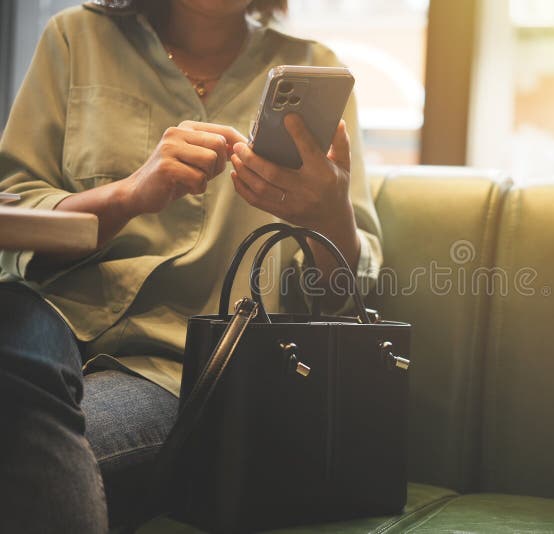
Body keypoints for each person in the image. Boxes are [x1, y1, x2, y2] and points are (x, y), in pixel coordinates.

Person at [0, 0, 382, 531]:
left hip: (179, 373)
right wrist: (129, 194)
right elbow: (14, 212)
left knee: (17, 440)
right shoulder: (75, 38)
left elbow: (344, 287)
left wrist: (328, 213)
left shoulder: (315, 69)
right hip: (43, 327)